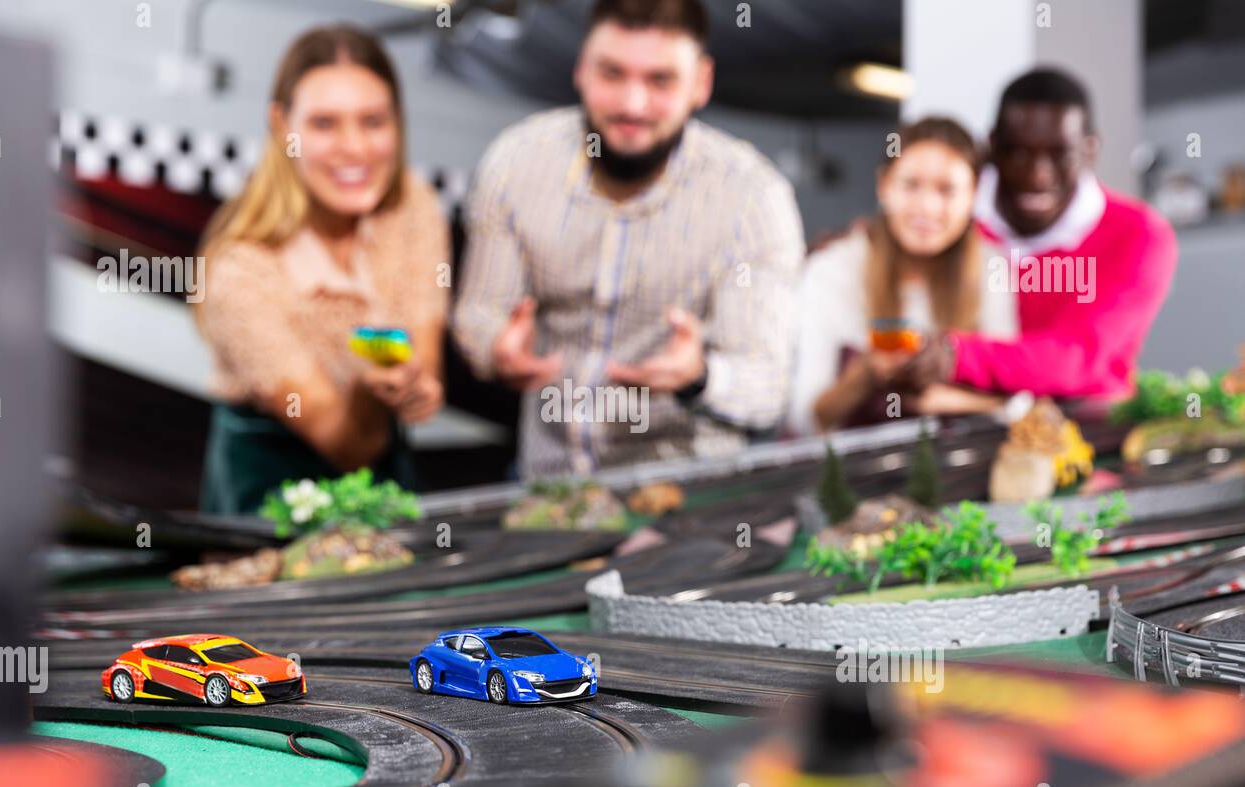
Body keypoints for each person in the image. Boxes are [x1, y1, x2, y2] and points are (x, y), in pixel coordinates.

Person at [451, 0, 804, 477]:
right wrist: (496, 350)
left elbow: (768, 386)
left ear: (700, 83)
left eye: (660, 80)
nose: (632, 104)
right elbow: (479, 314)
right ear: (581, 69)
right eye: (612, 73)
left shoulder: (753, 198)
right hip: (549, 488)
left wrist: (698, 377)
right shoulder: (514, 163)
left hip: (686, 492)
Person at [195, 26, 449, 514]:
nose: (354, 148)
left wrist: (414, 383)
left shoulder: (414, 208)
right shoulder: (238, 271)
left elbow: (421, 355)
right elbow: (350, 444)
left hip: (381, 491)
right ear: (281, 126)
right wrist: (372, 384)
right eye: (325, 124)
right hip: (267, 505)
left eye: (373, 121)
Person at [901, 68, 1178, 400]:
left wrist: (953, 355)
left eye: (1059, 154)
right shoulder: (951, 219)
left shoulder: (1139, 235)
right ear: (993, 147)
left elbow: (1076, 357)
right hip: (957, 426)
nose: (1036, 176)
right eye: (1018, 152)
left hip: (1088, 433)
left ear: (1090, 149)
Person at [786, 117, 1018, 435]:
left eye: (947, 189)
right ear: (884, 186)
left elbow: (1017, 403)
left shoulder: (992, 267)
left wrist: (939, 400)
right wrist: (864, 373)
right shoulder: (831, 270)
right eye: (911, 185)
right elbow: (805, 420)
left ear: (973, 195)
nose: (926, 207)